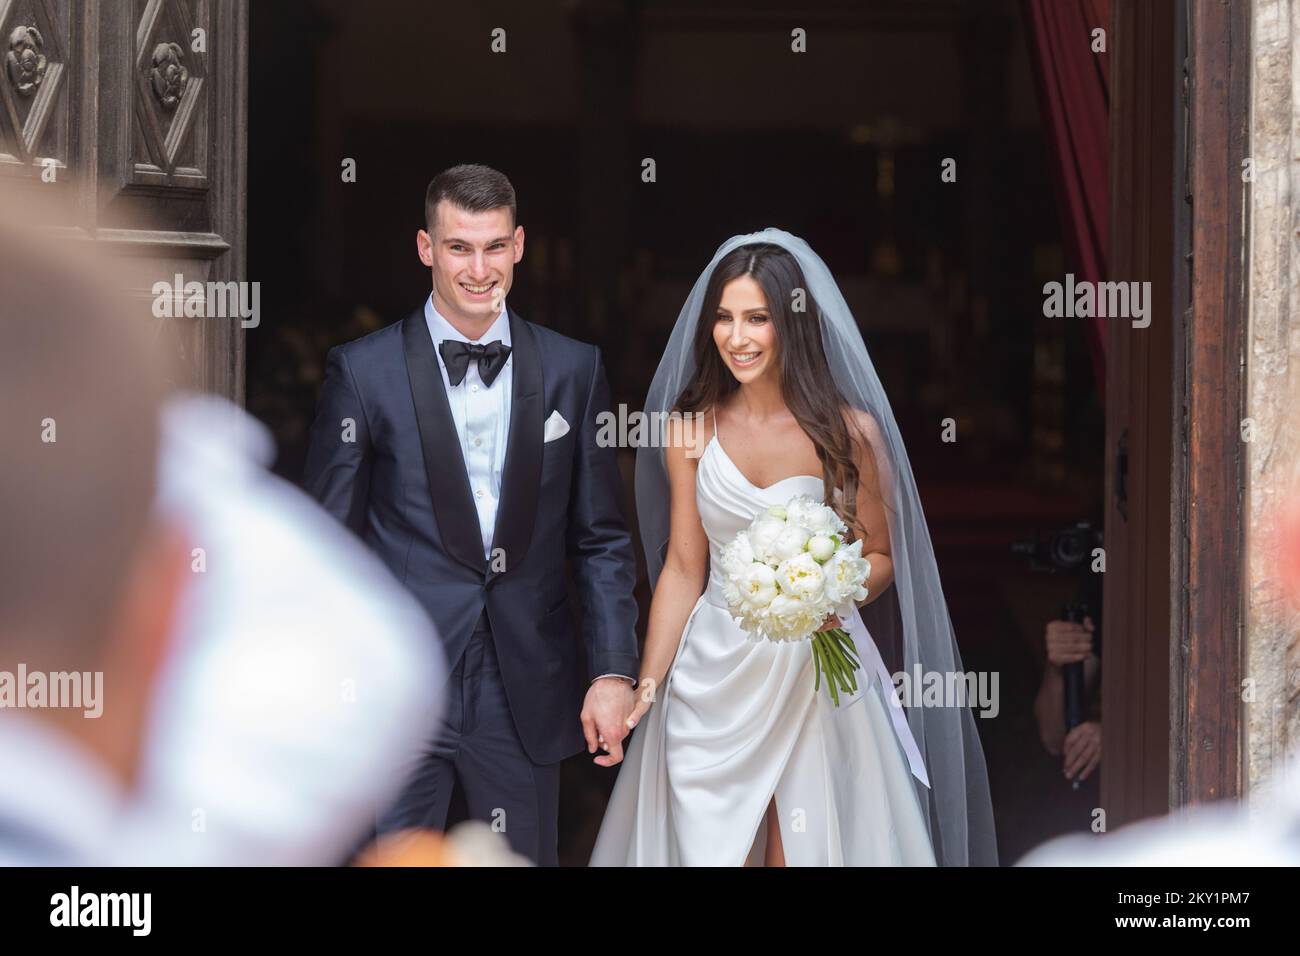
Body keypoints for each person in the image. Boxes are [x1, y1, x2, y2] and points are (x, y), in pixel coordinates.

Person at [591, 230, 997, 866]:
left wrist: (825, 590)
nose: (738, 337)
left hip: (815, 668)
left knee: (804, 847)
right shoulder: (689, 430)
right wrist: (648, 681)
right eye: (724, 318)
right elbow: (681, 567)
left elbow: (882, 556)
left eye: (758, 318)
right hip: (712, 672)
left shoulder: (847, 431)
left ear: (794, 323)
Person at [303, 164, 640, 866]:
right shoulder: (362, 371)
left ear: (519, 245)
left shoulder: (574, 369)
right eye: (460, 247)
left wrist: (612, 671)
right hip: (399, 681)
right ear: (426, 248)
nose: (479, 268)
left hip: (523, 681)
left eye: (493, 247)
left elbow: (602, 537)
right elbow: (327, 543)